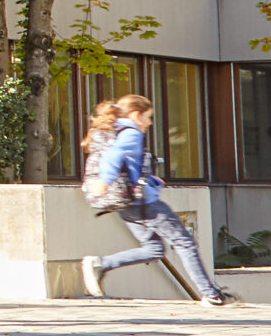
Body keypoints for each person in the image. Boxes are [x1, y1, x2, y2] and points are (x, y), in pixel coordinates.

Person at [78, 92, 232, 308]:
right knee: (184, 242)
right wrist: (104, 182)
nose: (150, 123)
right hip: (146, 204)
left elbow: (125, 164)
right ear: (136, 114)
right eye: (148, 117)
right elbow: (115, 156)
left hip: (127, 204)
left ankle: (102, 264)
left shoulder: (112, 130)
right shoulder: (131, 132)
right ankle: (211, 294)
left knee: (154, 249)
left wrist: (149, 179)